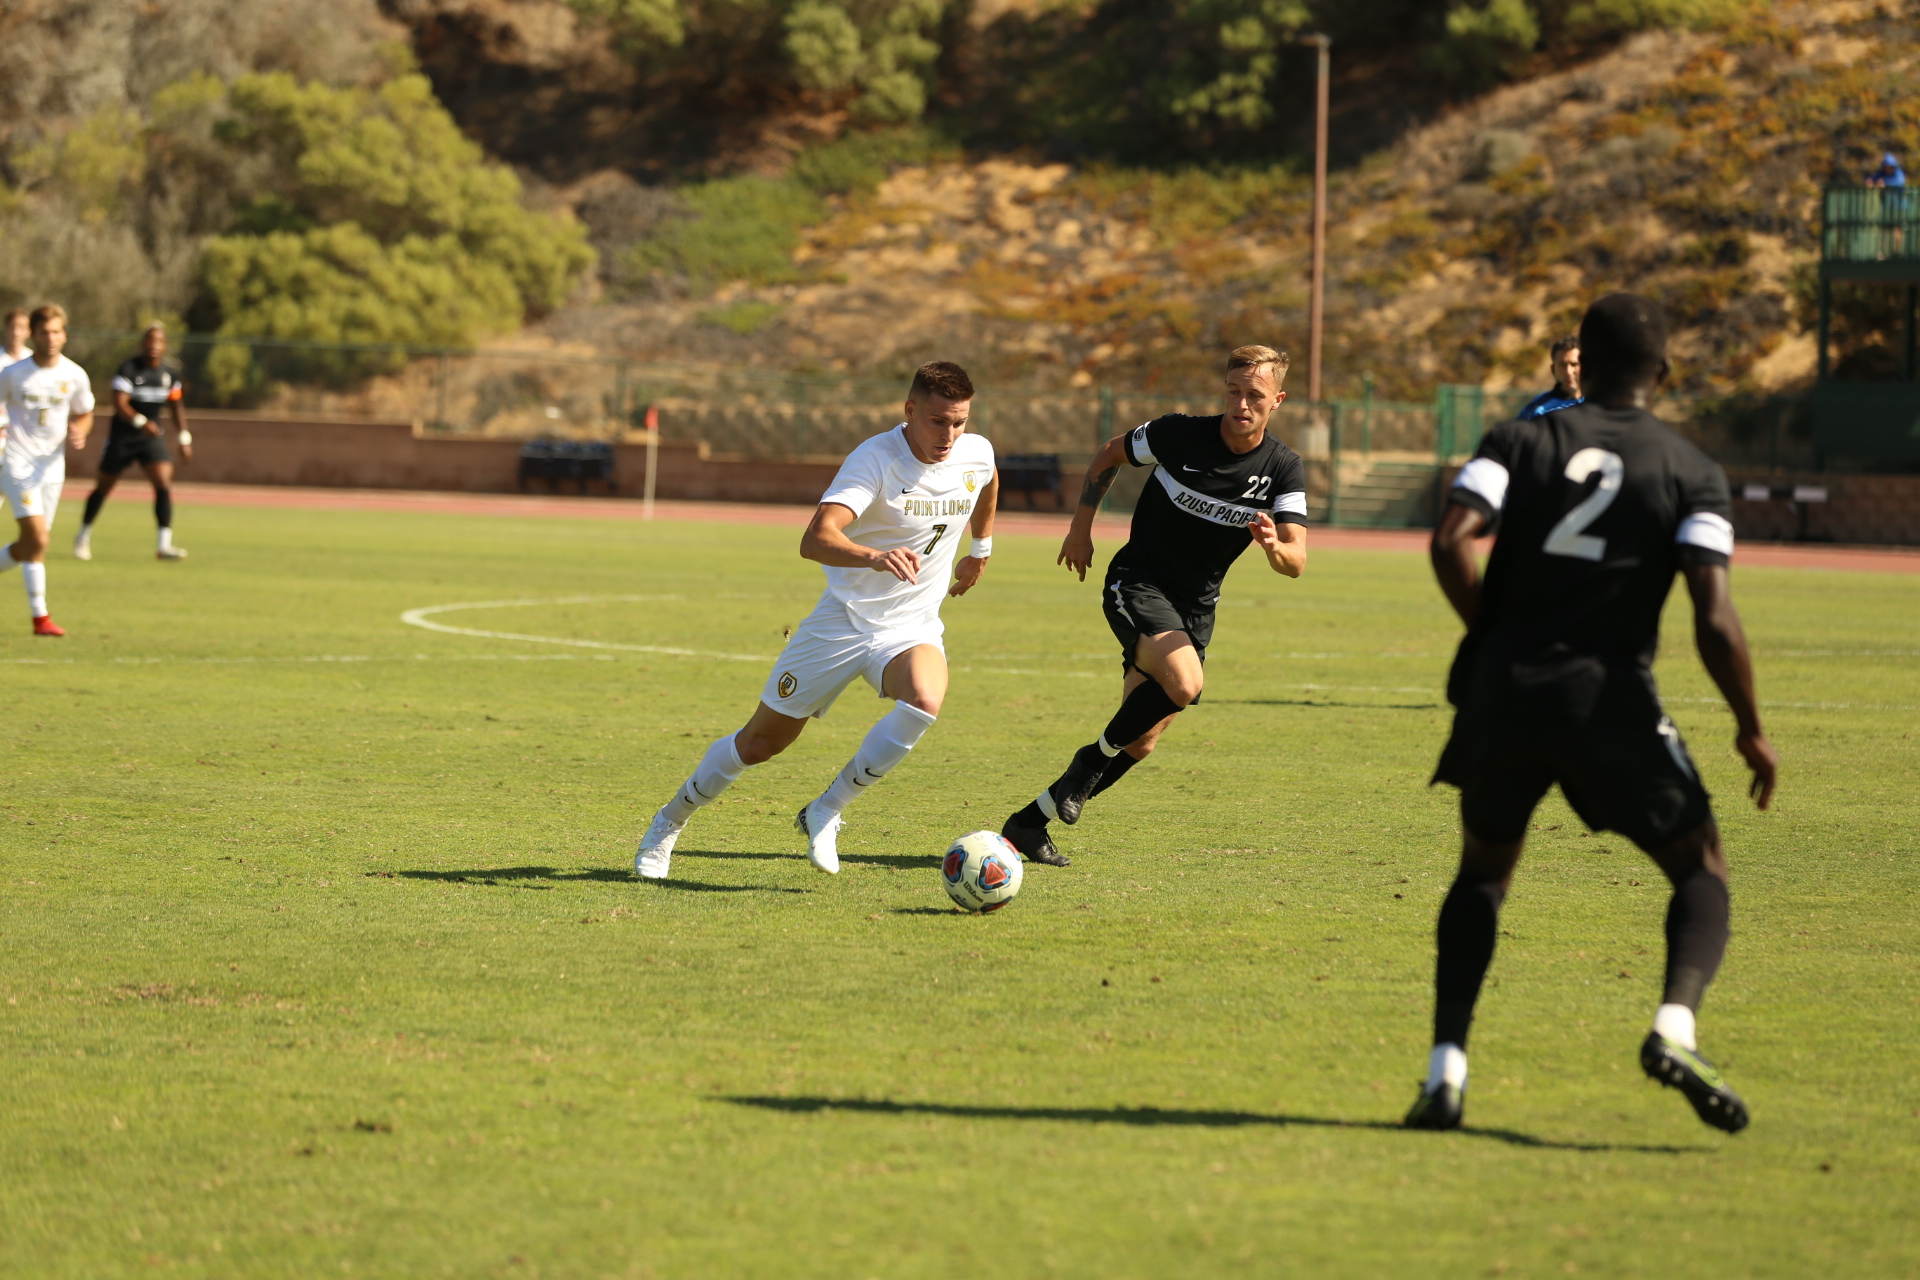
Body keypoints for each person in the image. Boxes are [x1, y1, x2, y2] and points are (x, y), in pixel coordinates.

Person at [1405, 293, 1778, 1135]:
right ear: (1664, 371)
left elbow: (1448, 537)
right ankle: (1673, 1029)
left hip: (1502, 691)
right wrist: (1749, 726)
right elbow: (1714, 616)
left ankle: (1446, 1077)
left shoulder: (1518, 438)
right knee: (1701, 867)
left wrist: (1495, 632)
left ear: (1584, 362)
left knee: (1482, 874)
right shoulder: (1691, 469)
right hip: (1609, 695)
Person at [635, 360, 999, 880]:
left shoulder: (975, 451)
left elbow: (987, 479)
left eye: (960, 421)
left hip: (910, 626)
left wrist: (980, 548)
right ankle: (667, 824)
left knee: (925, 700)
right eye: (939, 421)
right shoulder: (874, 460)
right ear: (911, 410)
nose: (950, 434)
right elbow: (815, 539)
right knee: (758, 745)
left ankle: (826, 809)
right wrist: (874, 556)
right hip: (843, 623)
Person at [1000, 346, 1308, 868]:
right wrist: (1080, 528)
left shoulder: (1282, 467)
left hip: (1197, 609)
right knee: (1184, 686)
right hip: (1137, 581)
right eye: (1233, 391)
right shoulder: (1178, 433)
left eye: (1254, 395)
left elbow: (1296, 560)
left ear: (1276, 400)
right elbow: (1108, 454)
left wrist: (1274, 546)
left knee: (1140, 741)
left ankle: (1029, 823)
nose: (1241, 404)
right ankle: (1085, 764)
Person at [0, 305, 96, 636]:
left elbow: (85, 411)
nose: (51, 338)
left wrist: (81, 428)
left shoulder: (74, 375)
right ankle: (40, 618)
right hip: (18, 462)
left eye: (57, 332)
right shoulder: (13, 374)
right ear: (34, 334)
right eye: (45, 332)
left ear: (64, 335)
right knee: (38, 538)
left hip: (53, 468)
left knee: (32, 544)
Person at [75, 323, 192, 561]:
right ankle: (82, 537)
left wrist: (184, 437)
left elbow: (175, 405)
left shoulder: (169, 374)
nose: (153, 346)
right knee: (104, 487)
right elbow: (120, 405)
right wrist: (141, 422)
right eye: (149, 341)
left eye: (159, 342)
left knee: (163, 483)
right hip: (124, 437)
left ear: (165, 345)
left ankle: (163, 545)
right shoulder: (128, 369)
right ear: (142, 343)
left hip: (151, 437)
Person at [1517, 336, 1581, 419]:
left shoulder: (1600, 403)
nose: (1568, 371)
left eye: (1574, 364)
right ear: (1553, 369)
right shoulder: (1537, 410)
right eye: (1562, 365)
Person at [0, 308, 31, 447]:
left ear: (29, 331)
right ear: (5, 328)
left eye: (21, 327)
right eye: (12, 327)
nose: (16, 332)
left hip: (25, 430)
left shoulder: (33, 362)